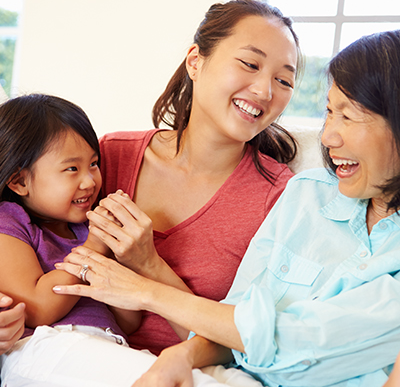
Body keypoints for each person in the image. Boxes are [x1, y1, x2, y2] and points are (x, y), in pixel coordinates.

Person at [54, 29, 400, 387]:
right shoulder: (307, 195)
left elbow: (296, 338)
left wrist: (145, 282)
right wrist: (182, 355)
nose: (327, 137)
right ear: (195, 61)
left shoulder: (274, 191)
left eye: (284, 80)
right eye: (329, 113)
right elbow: (234, 317)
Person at [70, 0, 301, 356]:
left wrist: (148, 265)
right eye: (250, 64)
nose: (265, 91)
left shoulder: (282, 197)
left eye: (284, 80)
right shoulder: (109, 156)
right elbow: (25, 240)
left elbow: (248, 346)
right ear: (196, 61)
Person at [0, 94, 152, 387]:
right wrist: (94, 249)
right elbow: (36, 308)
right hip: (43, 349)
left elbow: (129, 322)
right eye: (72, 169)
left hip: (106, 347)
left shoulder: (86, 229)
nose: (90, 181)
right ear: (20, 181)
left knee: (223, 378)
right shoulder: (9, 220)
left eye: (93, 164)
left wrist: (119, 253)